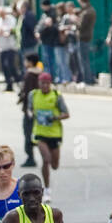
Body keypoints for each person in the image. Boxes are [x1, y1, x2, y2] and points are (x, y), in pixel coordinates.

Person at [27, 72, 69, 200]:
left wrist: (55, 117)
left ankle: (48, 184)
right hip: (40, 133)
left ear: (50, 84)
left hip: (55, 134)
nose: (44, 86)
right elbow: (29, 109)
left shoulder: (56, 96)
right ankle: (46, 190)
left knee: (54, 165)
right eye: (42, 83)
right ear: (38, 83)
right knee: (46, 159)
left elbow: (66, 114)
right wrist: (32, 114)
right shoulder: (33, 95)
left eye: (47, 83)